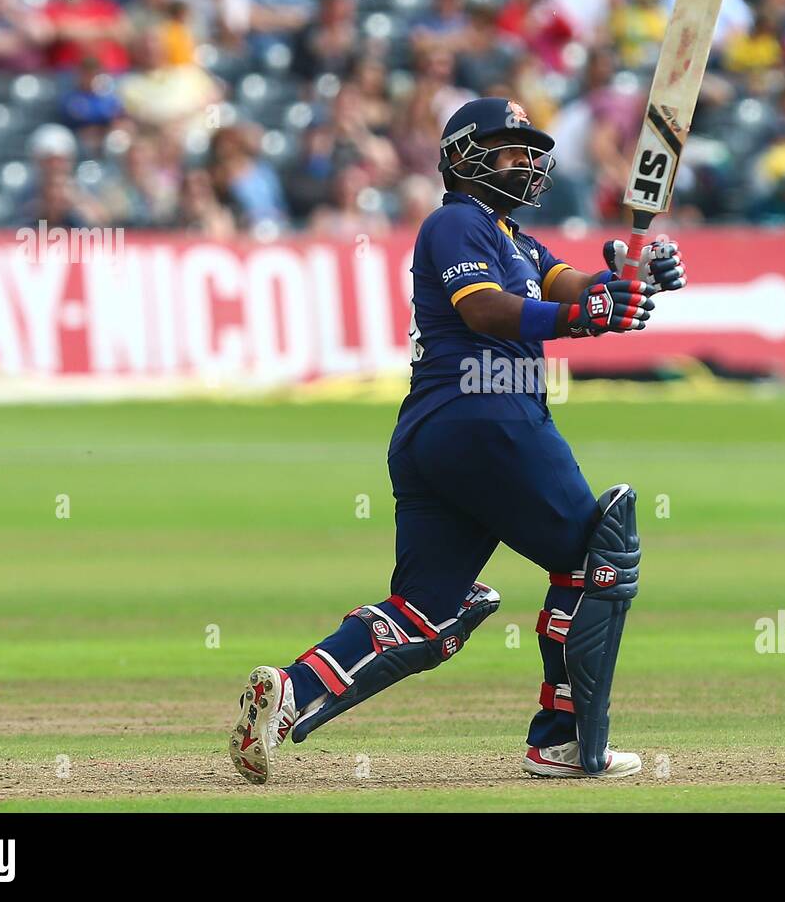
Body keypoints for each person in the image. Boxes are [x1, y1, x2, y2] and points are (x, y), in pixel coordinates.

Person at [228, 98, 689, 782]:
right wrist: (584, 316)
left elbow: (574, 286)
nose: (527, 162)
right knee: (598, 562)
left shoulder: (519, 241)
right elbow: (485, 310)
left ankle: (289, 694)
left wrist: (629, 280)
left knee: (424, 611)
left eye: (530, 150)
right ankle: (563, 743)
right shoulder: (456, 223)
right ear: (463, 158)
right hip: (489, 415)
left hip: (433, 436)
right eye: (509, 150)